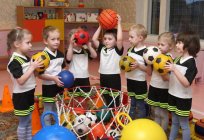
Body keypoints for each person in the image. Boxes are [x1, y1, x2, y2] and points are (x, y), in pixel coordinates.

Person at [7, 28, 43, 140]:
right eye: (28, 42)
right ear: (17, 44)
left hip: (29, 93)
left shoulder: (26, 58)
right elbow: (21, 81)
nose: (31, 45)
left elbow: (32, 75)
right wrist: (32, 67)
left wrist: (38, 69)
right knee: (24, 121)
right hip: (21, 96)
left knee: (28, 120)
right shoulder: (14, 62)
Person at [165, 31, 200, 140]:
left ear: (189, 45)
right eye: (177, 42)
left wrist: (174, 69)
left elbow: (186, 83)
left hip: (183, 98)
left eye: (180, 42)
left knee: (184, 125)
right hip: (173, 95)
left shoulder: (191, 63)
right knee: (174, 122)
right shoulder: (177, 59)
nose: (176, 45)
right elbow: (171, 76)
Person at [146, 32, 175, 132]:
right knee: (155, 112)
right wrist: (149, 62)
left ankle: (162, 132)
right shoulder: (155, 55)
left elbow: (167, 78)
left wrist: (161, 70)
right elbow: (149, 73)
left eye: (162, 45)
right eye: (158, 44)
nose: (159, 46)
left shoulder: (170, 59)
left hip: (164, 89)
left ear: (170, 47)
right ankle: (156, 132)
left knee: (163, 113)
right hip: (154, 86)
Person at [92, 15, 123, 107]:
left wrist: (119, 23)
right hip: (103, 76)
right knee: (106, 97)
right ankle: (108, 115)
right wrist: (100, 26)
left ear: (115, 41)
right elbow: (94, 39)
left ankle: (116, 116)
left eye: (110, 39)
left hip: (114, 78)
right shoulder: (102, 48)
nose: (106, 41)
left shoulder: (117, 50)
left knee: (114, 99)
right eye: (105, 39)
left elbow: (120, 39)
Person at [38, 26, 66, 125]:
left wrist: (67, 77)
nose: (56, 41)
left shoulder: (61, 54)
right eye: (53, 39)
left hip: (59, 86)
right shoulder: (42, 56)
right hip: (48, 87)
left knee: (58, 107)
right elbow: (40, 75)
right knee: (48, 109)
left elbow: (63, 69)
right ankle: (47, 129)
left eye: (58, 39)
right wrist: (53, 78)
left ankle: (58, 127)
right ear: (45, 41)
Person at [125, 24, 148, 119]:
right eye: (129, 37)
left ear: (140, 38)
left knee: (140, 105)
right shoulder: (130, 50)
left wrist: (138, 65)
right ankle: (130, 121)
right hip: (130, 81)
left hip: (140, 82)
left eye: (131, 37)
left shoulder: (146, 52)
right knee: (132, 103)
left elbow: (148, 70)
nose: (129, 39)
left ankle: (140, 122)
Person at [66, 28, 97, 92]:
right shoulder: (69, 51)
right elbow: (68, 58)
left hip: (85, 77)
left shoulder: (85, 51)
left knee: (85, 96)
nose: (77, 42)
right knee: (74, 96)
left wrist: (89, 46)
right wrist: (71, 45)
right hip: (73, 78)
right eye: (75, 40)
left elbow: (94, 55)